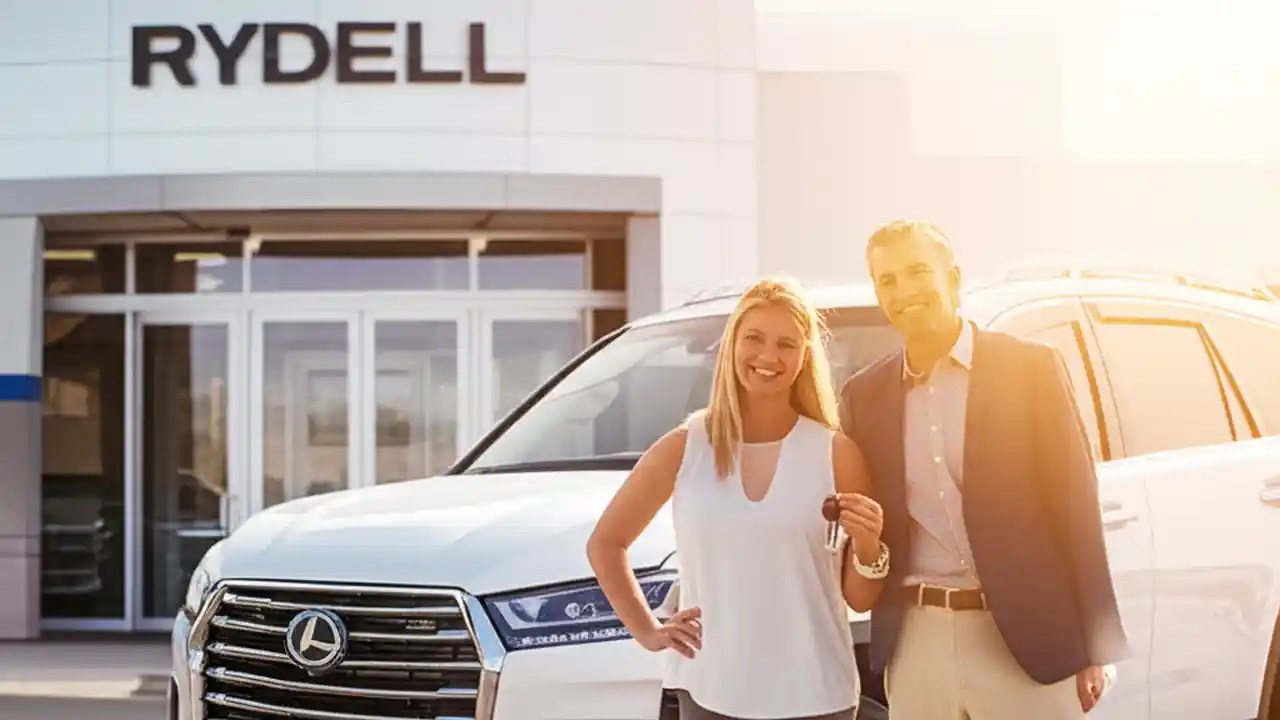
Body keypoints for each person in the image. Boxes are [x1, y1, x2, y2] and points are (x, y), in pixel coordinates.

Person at [840, 220, 1128, 718]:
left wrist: (1095, 647)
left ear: (953, 278)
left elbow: (1075, 507)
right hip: (917, 643)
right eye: (887, 280)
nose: (904, 290)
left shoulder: (1030, 369)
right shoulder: (863, 397)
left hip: (1028, 639)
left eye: (917, 271)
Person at [587, 278, 889, 720]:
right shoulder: (684, 446)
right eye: (754, 338)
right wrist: (648, 631)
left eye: (787, 343)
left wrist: (868, 545)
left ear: (805, 355)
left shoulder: (835, 453)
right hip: (711, 693)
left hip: (817, 696)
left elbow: (860, 599)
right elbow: (606, 543)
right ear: (732, 345)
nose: (768, 356)